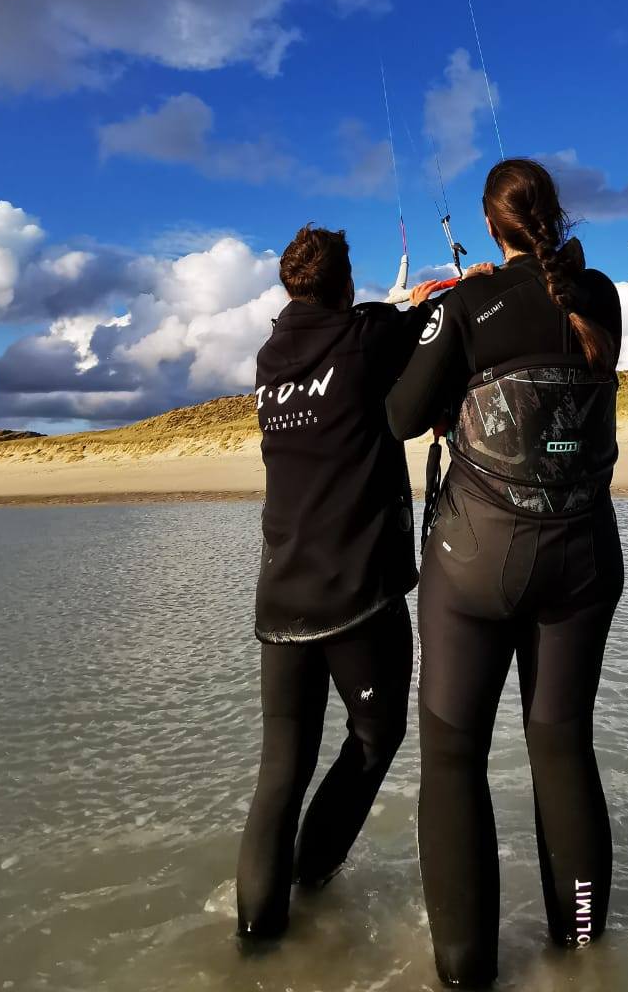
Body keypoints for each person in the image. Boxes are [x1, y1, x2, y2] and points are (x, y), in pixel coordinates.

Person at [386, 158, 625, 988]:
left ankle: (466, 974)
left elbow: (401, 417)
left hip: (479, 558)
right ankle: (587, 957)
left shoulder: (464, 304)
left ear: (491, 228)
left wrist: (431, 314)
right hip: (586, 552)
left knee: (454, 761)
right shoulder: (599, 297)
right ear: (553, 217)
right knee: (564, 747)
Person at [235, 223, 447, 940]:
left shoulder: (271, 359)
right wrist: (435, 295)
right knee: (375, 736)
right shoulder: (364, 338)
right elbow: (426, 324)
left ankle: (256, 945)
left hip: (280, 595)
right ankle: (313, 873)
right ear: (344, 282)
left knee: (280, 771)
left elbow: (379, 333)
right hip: (356, 594)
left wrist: (399, 306)